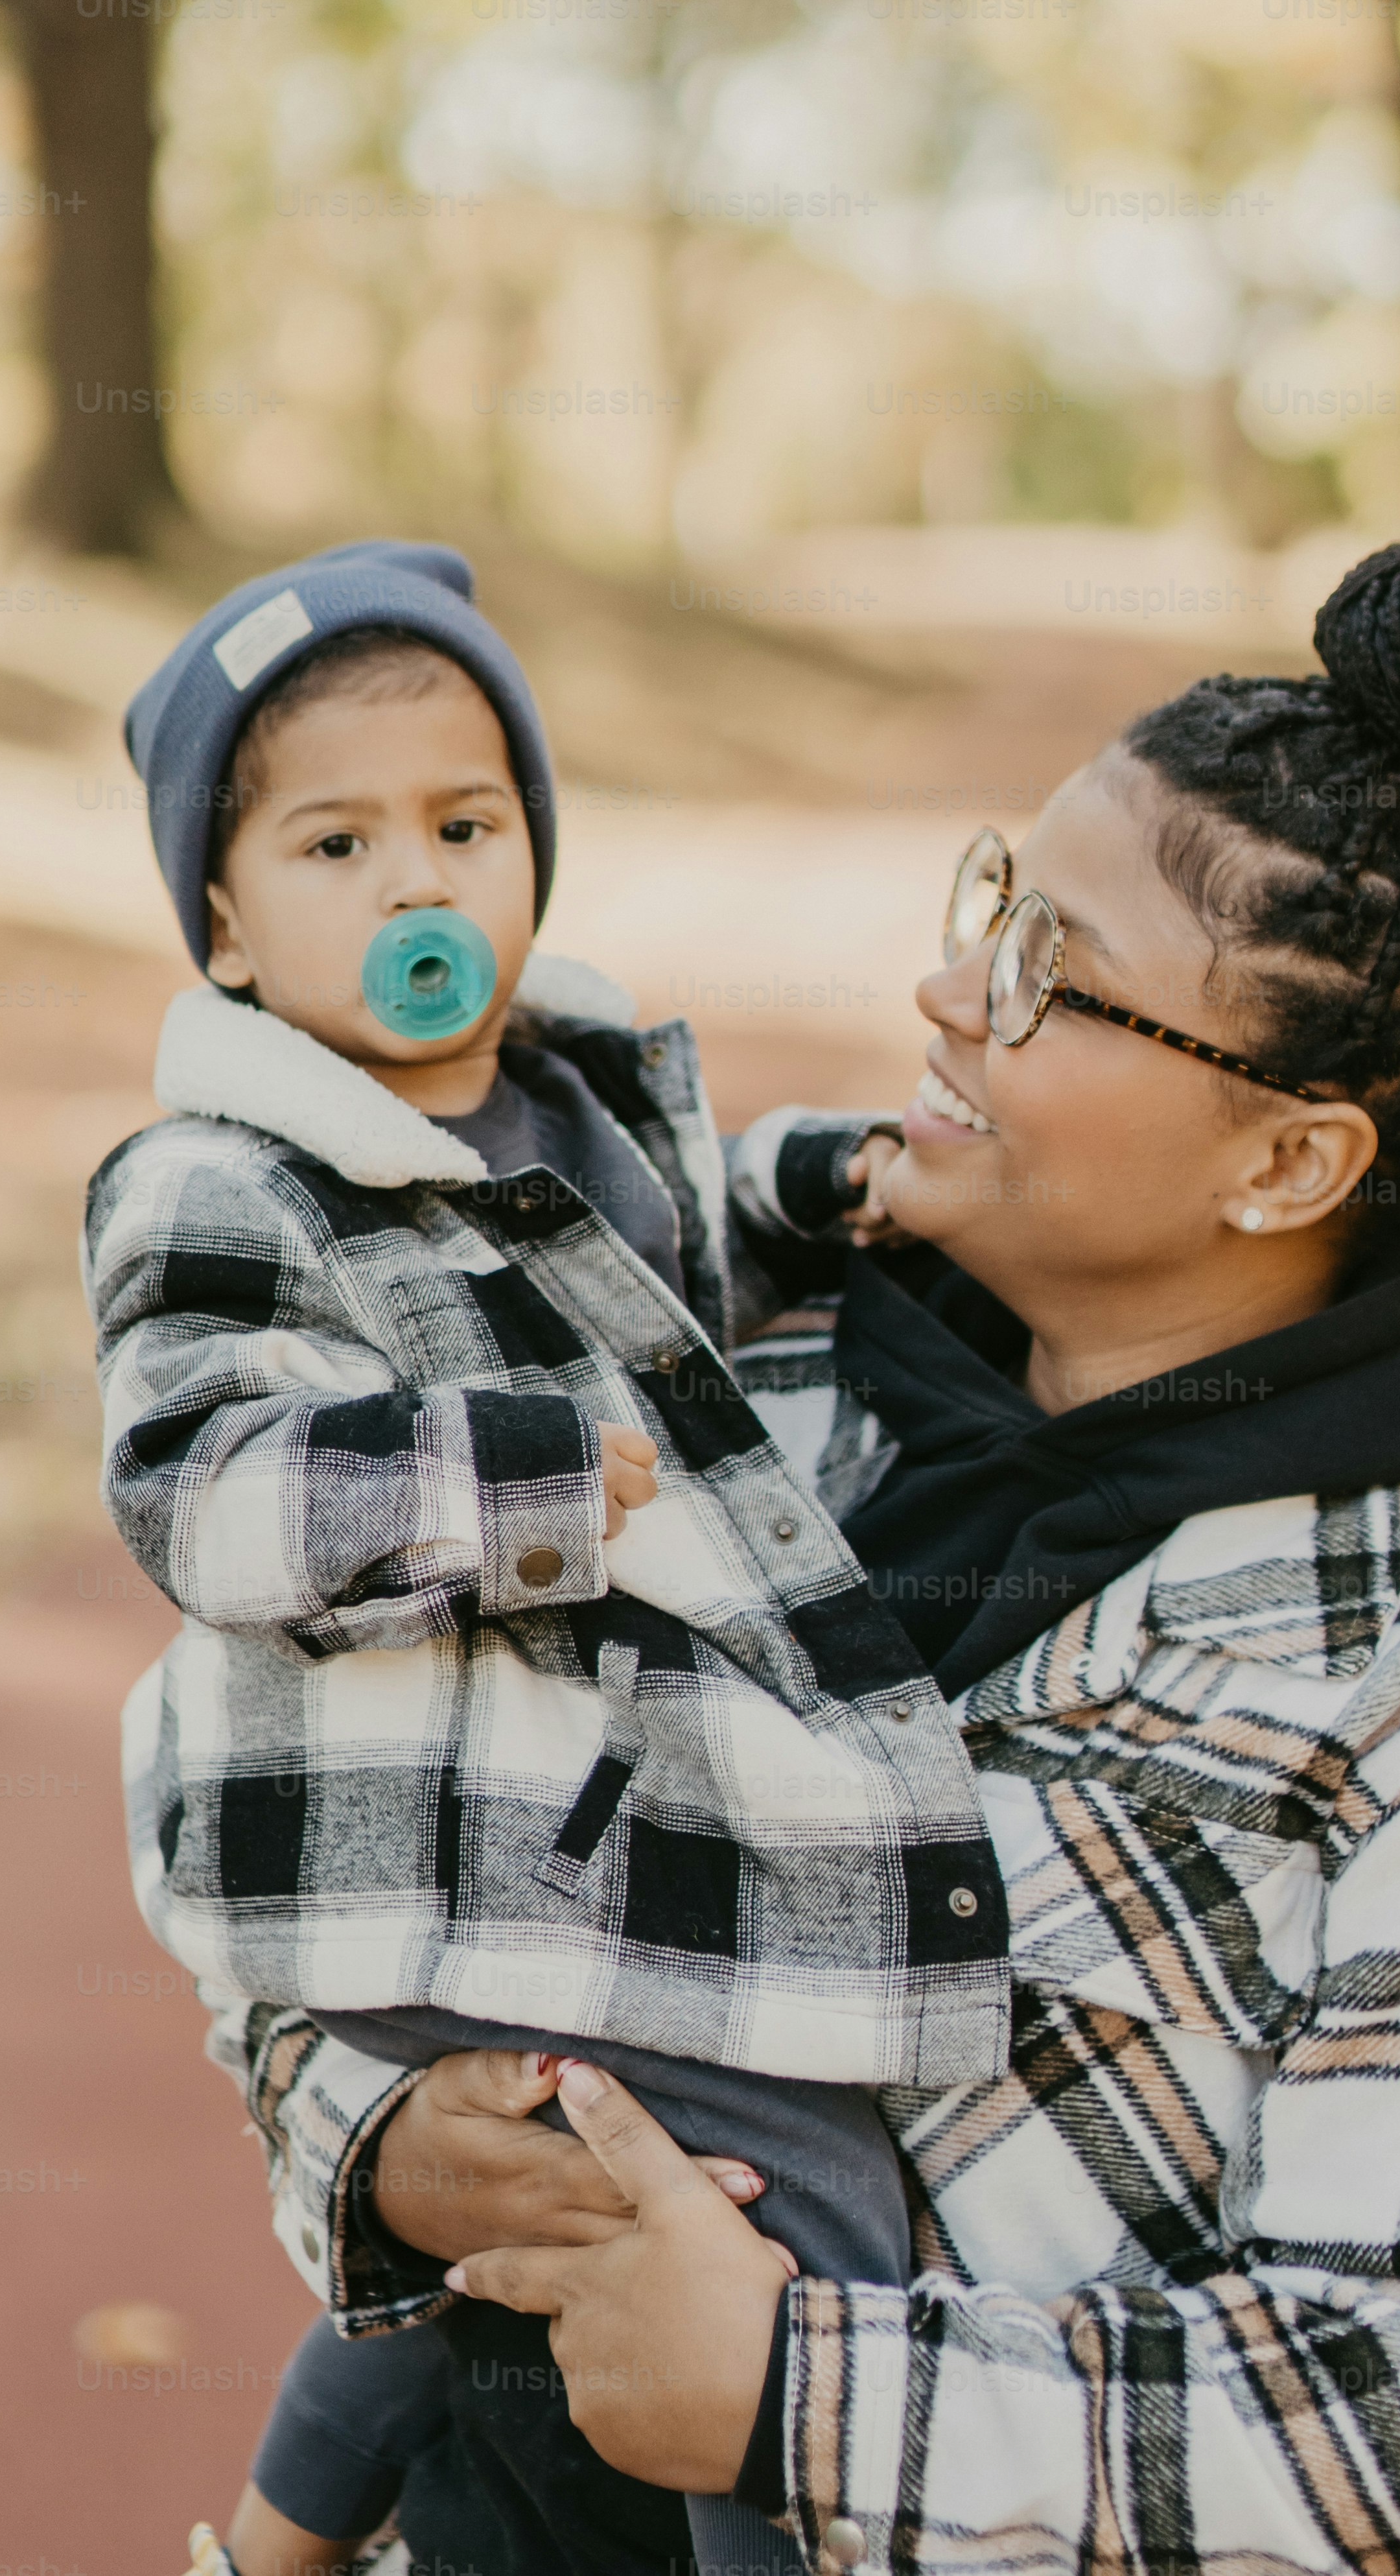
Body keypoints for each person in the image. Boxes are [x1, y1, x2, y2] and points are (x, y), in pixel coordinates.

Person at [232, 536, 1400, 2576]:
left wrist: (793, 2391)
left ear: (1289, 1158)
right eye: (991, 900)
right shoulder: (737, 1379)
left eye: (1047, 973)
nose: (946, 990)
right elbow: (324, 1804)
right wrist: (378, 2150)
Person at [84, 539, 1009, 2576]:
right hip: (419, 1829)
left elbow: (698, 1247)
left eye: (463, 824)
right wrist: (492, 1477)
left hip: (563, 1832)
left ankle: (277, 2549)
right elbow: (196, 1485)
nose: (416, 884)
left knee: (502, 2209)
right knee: (800, 2206)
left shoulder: (581, 1103)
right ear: (227, 935)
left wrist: (825, 1172)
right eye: (335, 844)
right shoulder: (221, 1179)